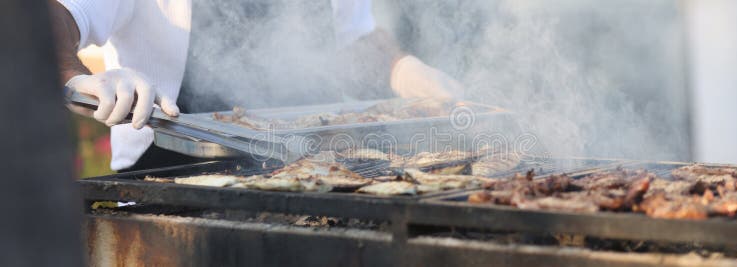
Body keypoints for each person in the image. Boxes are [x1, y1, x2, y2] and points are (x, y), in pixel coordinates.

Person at [50, 0, 464, 171]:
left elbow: (355, 36)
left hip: (323, 179)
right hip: (174, 183)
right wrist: (77, 76)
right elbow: (54, 18)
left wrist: (400, 67)